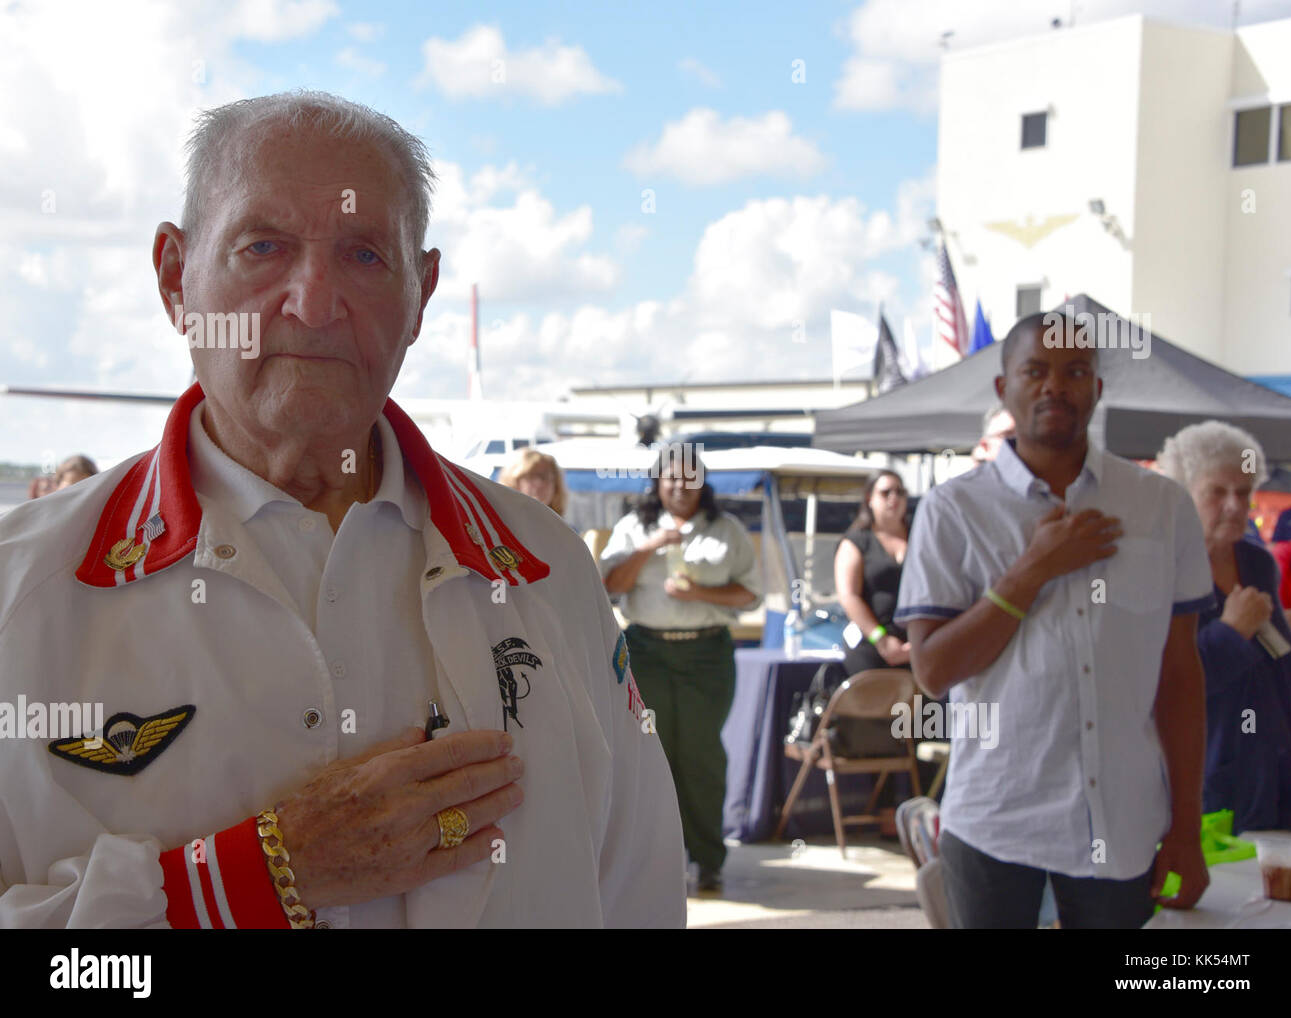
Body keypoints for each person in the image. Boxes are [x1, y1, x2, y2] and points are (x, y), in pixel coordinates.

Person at [0, 91, 685, 929]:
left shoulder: (547, 568)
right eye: (262, 247)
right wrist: (258, 875)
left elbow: (644, 896)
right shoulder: (20, 588)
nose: (315, 303)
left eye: (365, 255)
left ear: (421, 295)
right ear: (177, 279)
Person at [897, 309, 1214, 929]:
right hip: (995, 823)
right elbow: (932, 671)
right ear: (1003, 387)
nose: (1055, 386)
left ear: (1097, 388)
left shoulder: (1161, 506)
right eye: (1035, 370)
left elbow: (1180, 676)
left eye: (1075, 371)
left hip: (1125, 826)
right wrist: (1032, 571)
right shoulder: (953, 510)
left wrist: (1187, 826)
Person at [599, 443, 762, 894]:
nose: (681, 486)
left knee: (701, 753)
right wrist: (649, 548)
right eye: (672, 477)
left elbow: (750, 594)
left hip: (706, 654)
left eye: (691, 477)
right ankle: (651, 861)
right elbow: (609, 586)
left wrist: (700, 594)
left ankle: (708, 858)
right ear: (657, 483)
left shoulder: (726, 529)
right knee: (649, 753)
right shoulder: (634, 527)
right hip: (647, 651)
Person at [1156, 422, 1291, 834]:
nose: (1235, 505)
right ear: (1183, 494)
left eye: (1244, 491)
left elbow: (1280, 661)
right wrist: (1231, 632)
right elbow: (1161, 681)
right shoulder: (1162, 568)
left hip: (1278, 774)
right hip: (1207, 782)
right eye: (1217, 492)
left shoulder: (1257, 562)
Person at [834, 469, 911, 674]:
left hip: (914, 645)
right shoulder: (856, 541)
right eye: (886, 493)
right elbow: (849, 596)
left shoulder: (920, 536)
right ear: (870, 499)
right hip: (871, 644)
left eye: (900, 492)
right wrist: (881, 640)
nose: (894, 498)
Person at [499, 448, 568, 518]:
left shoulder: (561, 524)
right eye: (531, 476)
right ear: (512, 480)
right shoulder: (499, 520)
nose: (539, 483)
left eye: (545, 477)